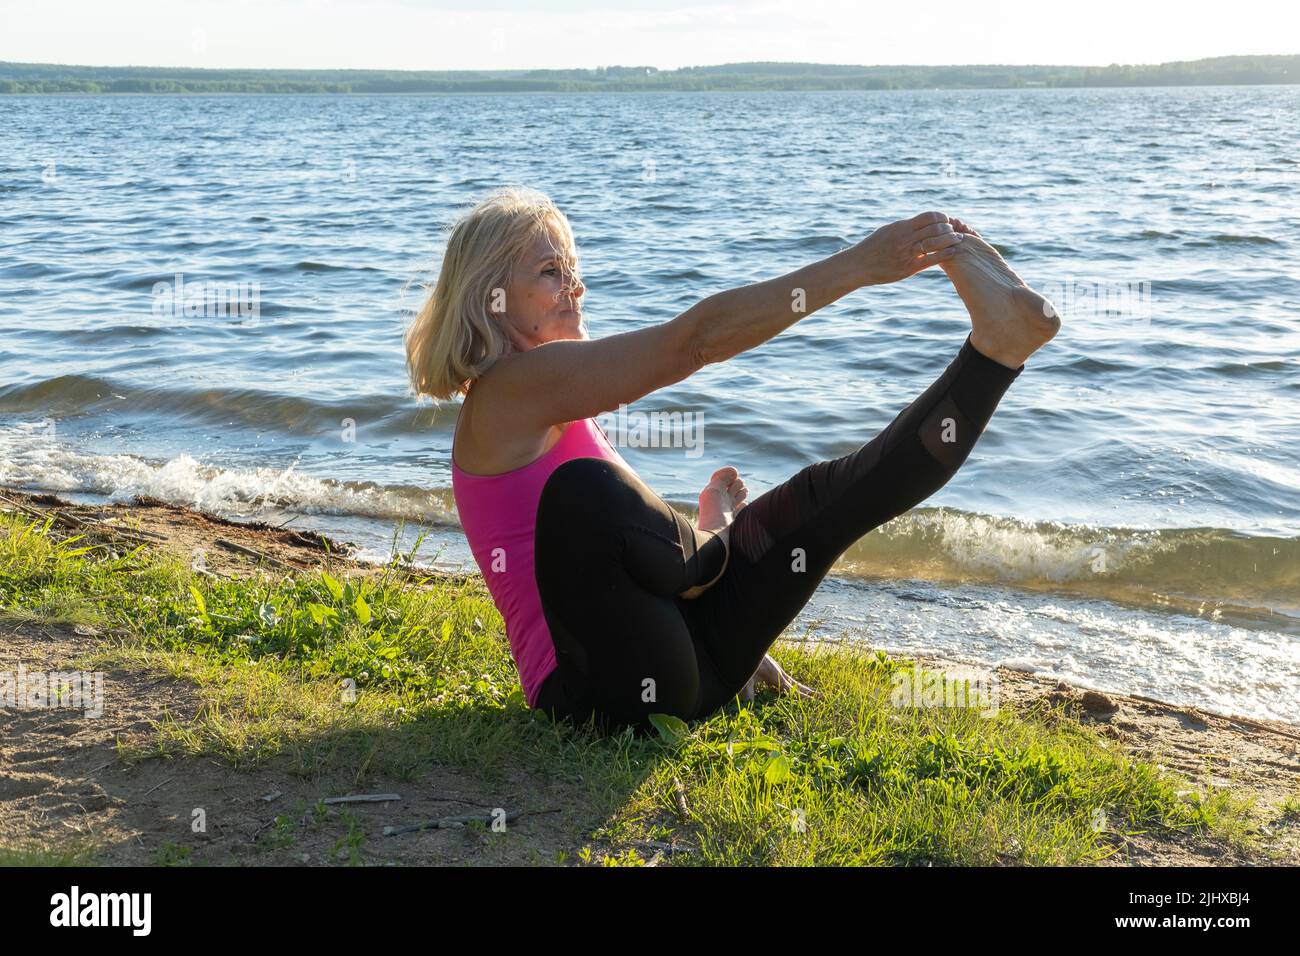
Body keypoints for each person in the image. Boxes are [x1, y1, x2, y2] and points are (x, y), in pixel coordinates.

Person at [405, 186, 1060, 736]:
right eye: (550, 271)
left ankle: (995, 352)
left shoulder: (553, 406)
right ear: (489, 291)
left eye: (574, 267)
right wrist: (858, 265)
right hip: (590, 697)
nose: (574, 286)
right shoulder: (506, 395)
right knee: (585, 490)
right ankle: (715, 550)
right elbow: (693, 342)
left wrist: (716, 530)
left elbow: (641, 567)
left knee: (824, 497)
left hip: (686, 670)